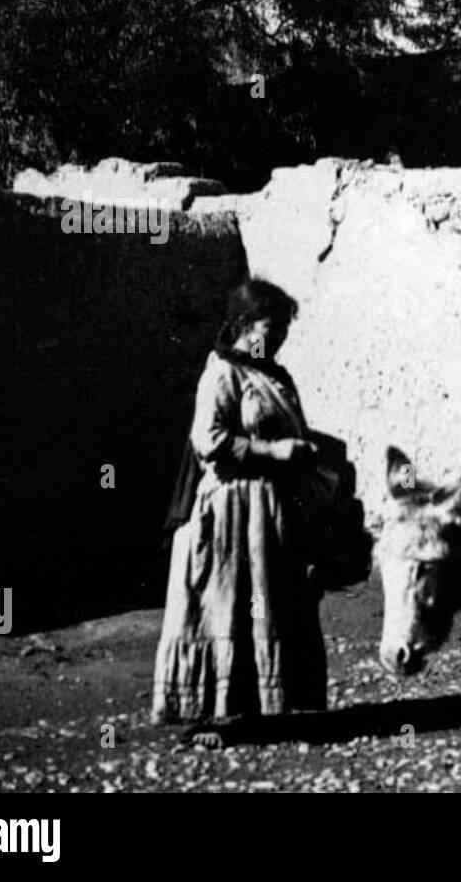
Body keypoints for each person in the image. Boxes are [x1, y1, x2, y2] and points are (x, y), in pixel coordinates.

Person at [151, 278, 328, 746]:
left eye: (284, 331)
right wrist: (276, 451)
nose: (278, 339)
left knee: (263, 605)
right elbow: (208, 441)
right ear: (243, 324)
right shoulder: (223, 375)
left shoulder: (276, 377)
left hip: (268, 517)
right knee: (224, 606)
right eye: (271, 328)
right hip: (228, 514)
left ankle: (255, 709)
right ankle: (211, 715)